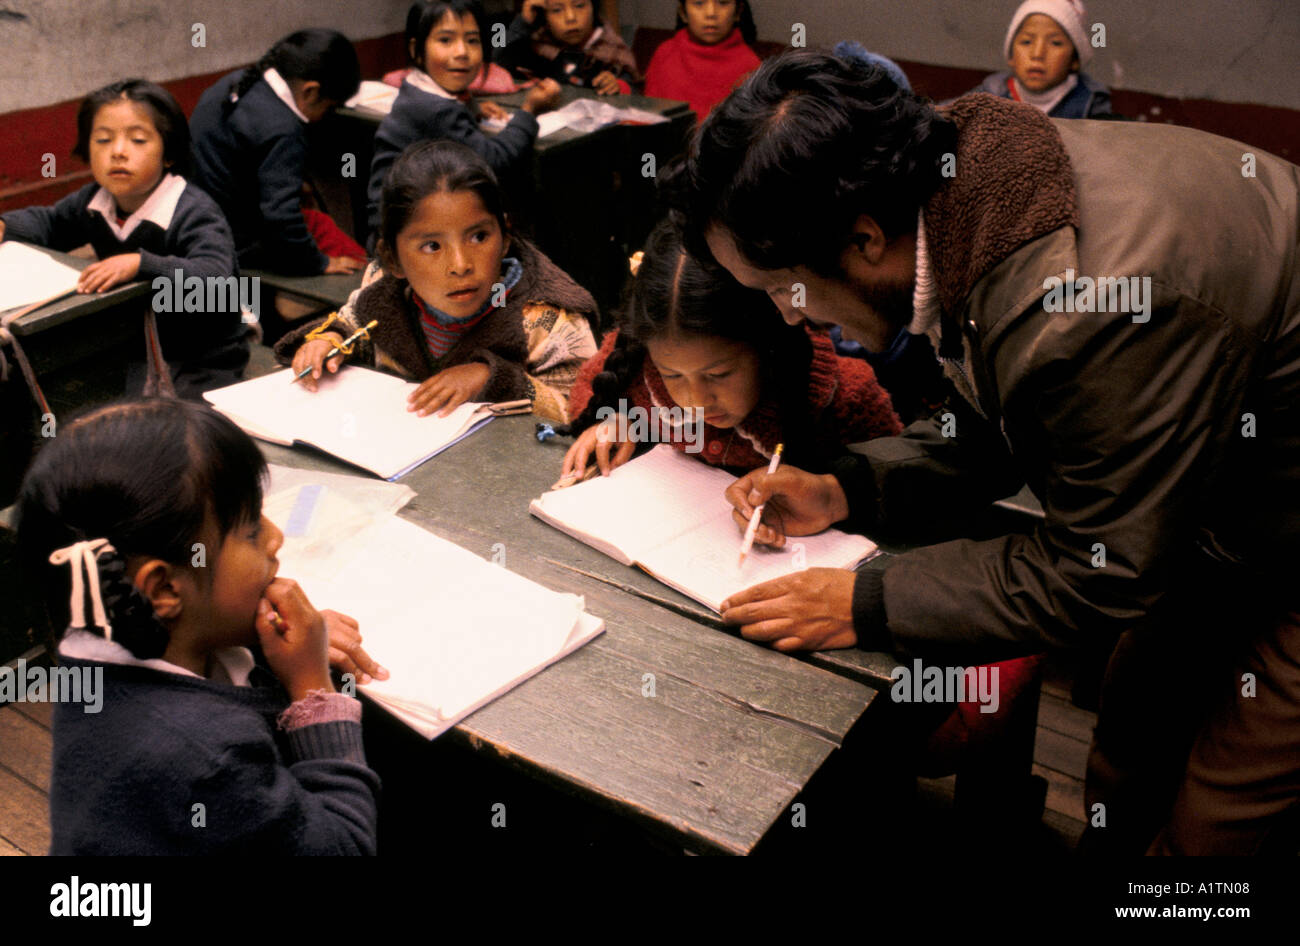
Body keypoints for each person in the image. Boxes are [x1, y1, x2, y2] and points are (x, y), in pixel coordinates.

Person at [666, 49, 1300, 855]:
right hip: (1219, 492)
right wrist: (850, 486)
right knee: (1133, 736)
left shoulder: (1080, 306)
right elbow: (1009, 415)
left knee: (1218, 827)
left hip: (1280, 532)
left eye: (785, 290)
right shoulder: (958, 186)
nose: (792, 321)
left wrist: (865, 601)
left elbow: (1098, 570)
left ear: (862, 240)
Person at [15, 399, 384, 854]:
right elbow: (343, 848)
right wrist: (312, 687)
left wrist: (280, 643)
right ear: (165, 588)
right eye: (249, 531)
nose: (275, 537)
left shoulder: (100, 633)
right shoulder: (208, 756)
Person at [281, 140, 598, 423]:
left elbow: (583, 413)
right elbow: (351, 326)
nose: (460, 265)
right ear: (393, 259)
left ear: (504, 236)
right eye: (432, 246)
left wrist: (492, 377)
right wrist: (329, 341)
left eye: (479, 236)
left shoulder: (549, 320)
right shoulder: (383, 291)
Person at [558, 219, 901, 480]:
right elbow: (593, 383)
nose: (696, 400)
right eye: (673, 375)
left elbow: (896, 480)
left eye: (718, 374)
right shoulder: (637, 362)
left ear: (768, 345)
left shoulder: (843, 398)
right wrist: (615, 420)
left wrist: (832, 489)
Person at [0, 80, 249, 398]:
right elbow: (51, 223)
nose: (117, 152)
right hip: (134, 347)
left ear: (169, 154)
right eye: (103, 140)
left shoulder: (192, 210)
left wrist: (140, 263)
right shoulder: (94, 201)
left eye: (138, 140)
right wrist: (6, 227)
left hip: (202, 356)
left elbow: (215, 276)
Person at [367, 1, 561, 244]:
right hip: (402, 239)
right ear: (417, 50)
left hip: (407, 221)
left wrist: (472, 109)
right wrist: (529, 111)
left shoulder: (417, 90)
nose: (461, 52)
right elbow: (496, 161)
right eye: (445, 40)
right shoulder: (436, 111)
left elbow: (448, 114)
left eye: (472, 40)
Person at [190, 29, 366, 276]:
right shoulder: (284, 130)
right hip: (236, 246)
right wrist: (322, 263)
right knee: (351, 258)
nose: (325, 117)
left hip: (196, 227)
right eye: (329, 108)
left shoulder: (235, 83)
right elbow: (281, 216)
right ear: (310, 91)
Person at [968, 0, 1111, 118]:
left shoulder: (1091, 104)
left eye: (1055, 43)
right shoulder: (989, 94)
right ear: (1011, 56)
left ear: (1075, 60)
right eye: (1026, 42)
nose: (1037, 54)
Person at [644, 0, 760, 124]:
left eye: (723, 3)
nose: (711, 13)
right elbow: (647, 118)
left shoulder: (751, 66)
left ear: (738, 12)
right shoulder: (665, 54)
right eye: (699, 3)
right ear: (683, 13)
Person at [500, 0, 639, 94]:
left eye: (579, 6)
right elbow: (497, 64)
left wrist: (617, 85)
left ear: (593, 7)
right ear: (544, 17)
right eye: (557, 10)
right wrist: (522, 23)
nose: (571, 17)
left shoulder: (611, 47)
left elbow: (636, 91)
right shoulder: (534, 44)